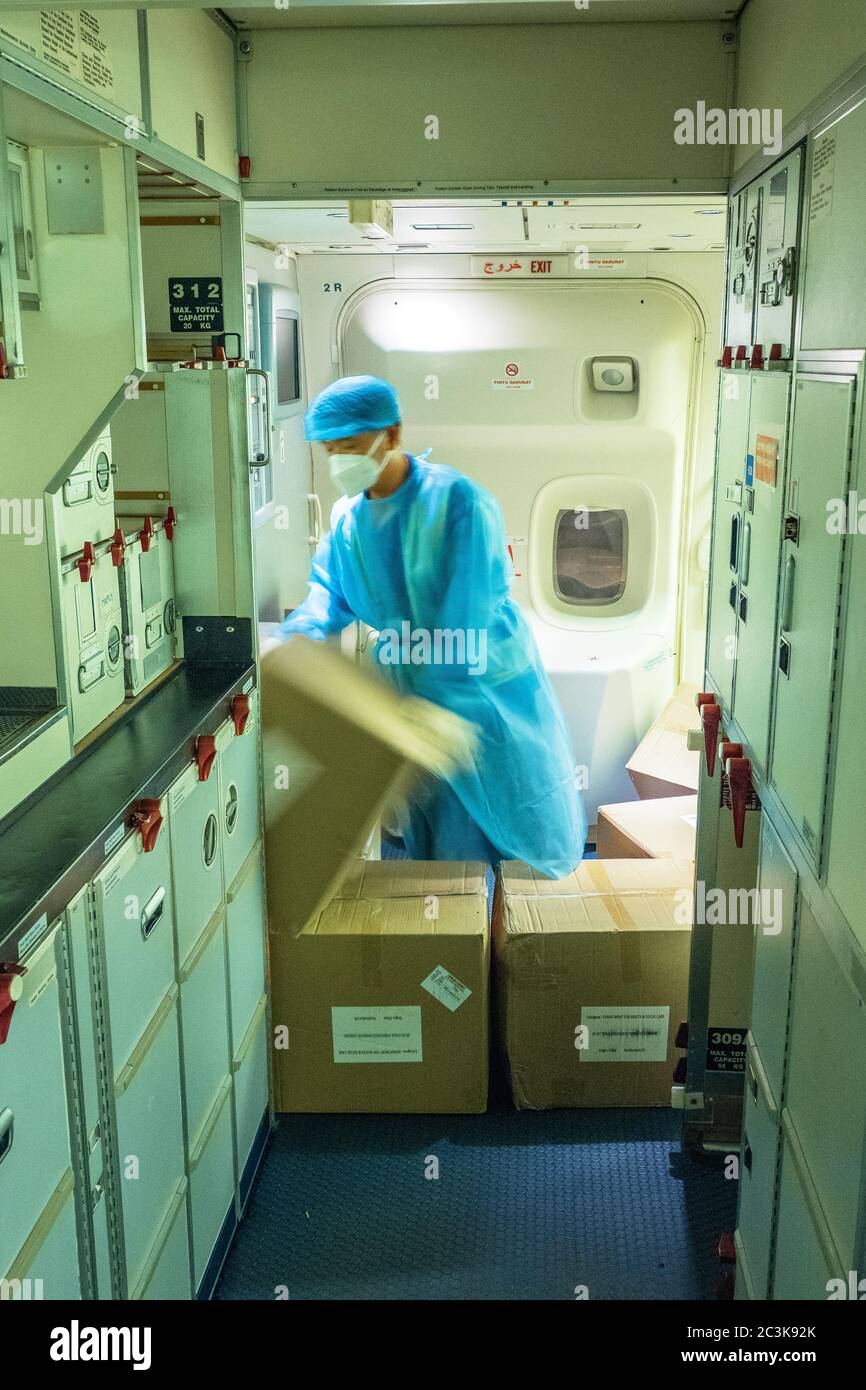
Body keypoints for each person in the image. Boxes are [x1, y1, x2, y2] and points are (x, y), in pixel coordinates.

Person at [267, 374, 587, 877]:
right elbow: (330, 593)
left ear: (391, 435)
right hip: (412, 691)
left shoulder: (458, 501)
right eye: (331, 450)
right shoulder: (348, 518)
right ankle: (460, 935)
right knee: (442, 849)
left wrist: (443, 700)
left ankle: (532, 936)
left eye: (350, 446)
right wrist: (291, 642)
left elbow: (466, 613)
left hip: (485, 691)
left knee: (516, 824)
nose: (339, 462)